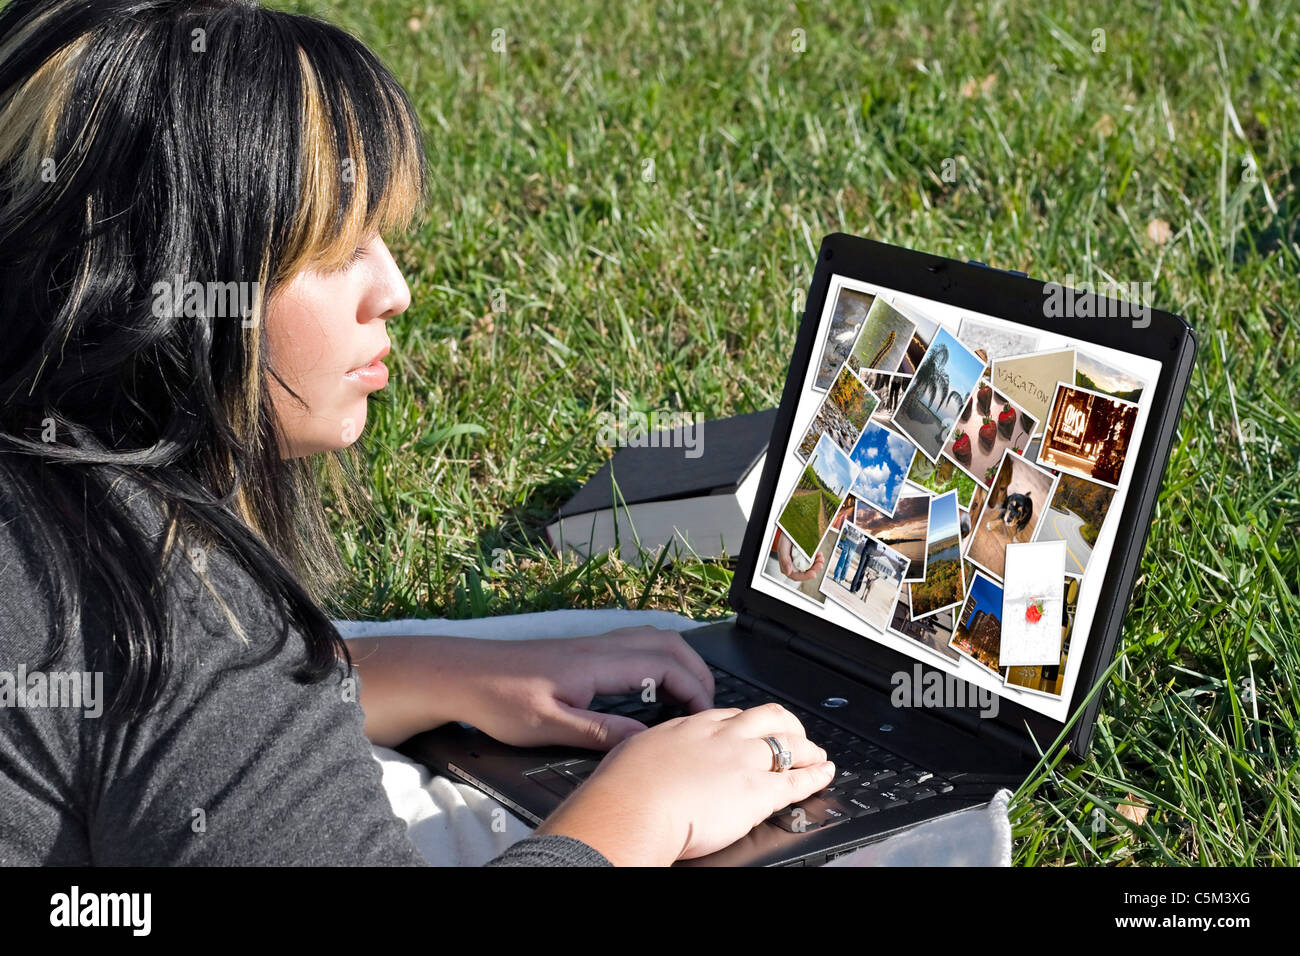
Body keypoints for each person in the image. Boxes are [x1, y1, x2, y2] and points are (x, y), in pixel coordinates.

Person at [0, 0, 835, 867]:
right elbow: (190, 700)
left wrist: (415, 671)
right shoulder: (170, 611)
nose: (393, 289)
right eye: (335, 250)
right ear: (162, 287)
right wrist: (640, 811)